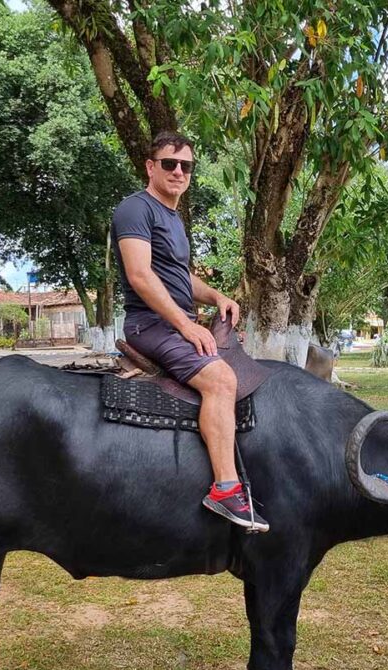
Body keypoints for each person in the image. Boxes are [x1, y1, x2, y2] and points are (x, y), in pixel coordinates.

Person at [111, 131, 269, 532]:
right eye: (169, 163)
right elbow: (141, 276)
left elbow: (181, 278)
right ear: (151, 167)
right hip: (151, 325)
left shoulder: (173, 219)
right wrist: (185, 325)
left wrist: (216, 297)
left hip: (176, 322)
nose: (179, 171)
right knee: (220, 379)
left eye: (186, 166)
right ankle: (226, 488)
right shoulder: (135, 209)